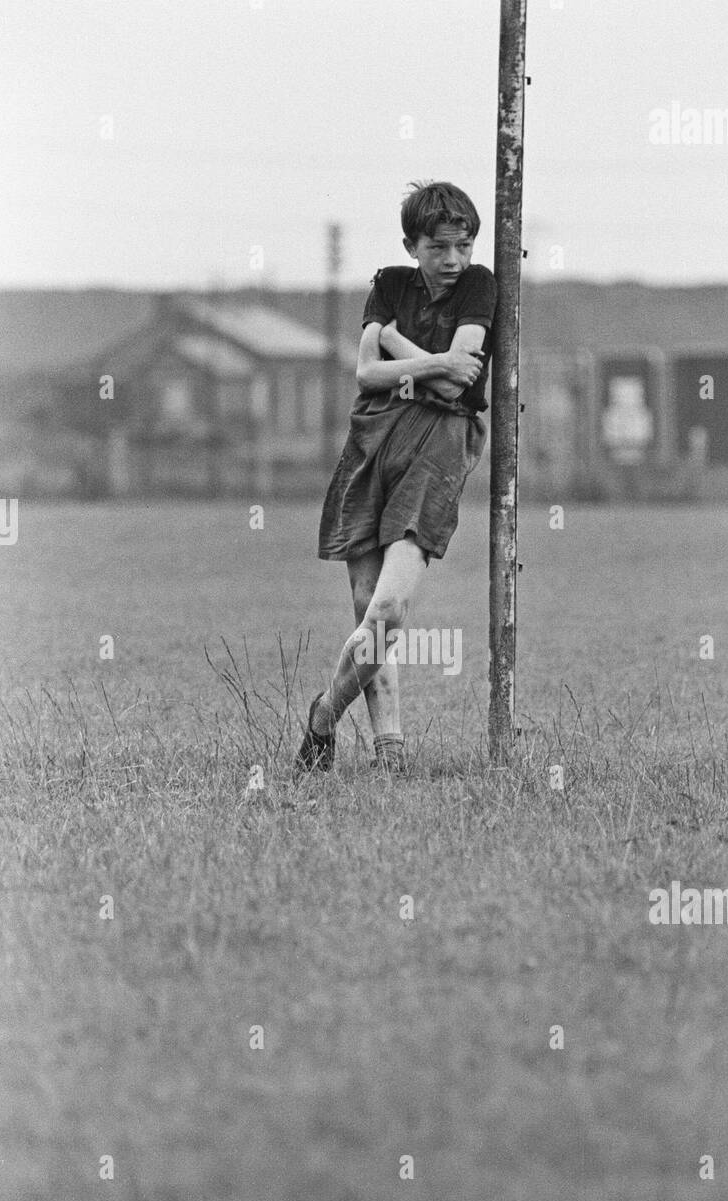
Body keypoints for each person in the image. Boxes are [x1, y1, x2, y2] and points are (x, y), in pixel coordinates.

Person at [294, 180, 498, 776]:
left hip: (439, 444)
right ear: (412, 244)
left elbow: (461, 386)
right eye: (440, 248)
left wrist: (395, 344)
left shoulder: (479, 285)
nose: (454, 260)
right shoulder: (388, 283)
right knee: (364, 606)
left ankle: (323, 716)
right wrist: (431, 363)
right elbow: (365, 375)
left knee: (387, 610)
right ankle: (391, 751)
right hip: (372, 442)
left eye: (463, 246)